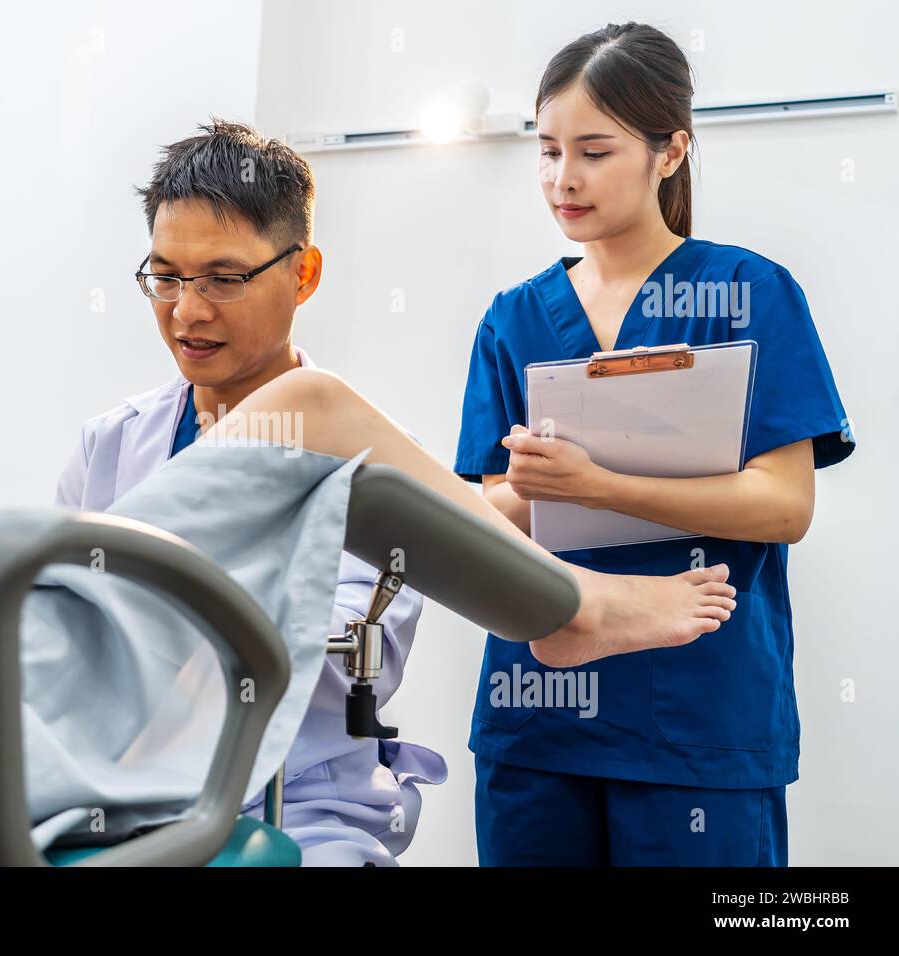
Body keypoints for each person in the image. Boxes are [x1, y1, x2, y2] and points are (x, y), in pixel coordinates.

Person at [453, 23, 854, 865]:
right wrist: (538, 487)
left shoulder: (748, 294)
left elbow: (783, 507)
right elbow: (479, 519)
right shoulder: (514, 318)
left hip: (699, 717)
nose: (564, 178)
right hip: (540, 718)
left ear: (669, 151)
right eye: (549, 149)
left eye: (595, 151)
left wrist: (602, 485)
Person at [54, 120, 446, 867]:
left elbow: (355, 659)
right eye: (165, 277)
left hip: (301, 804)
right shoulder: (109, 446)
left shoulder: (382, 468)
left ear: (303, 274)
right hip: (119, 800)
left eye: (224, 279)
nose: (187, 311)